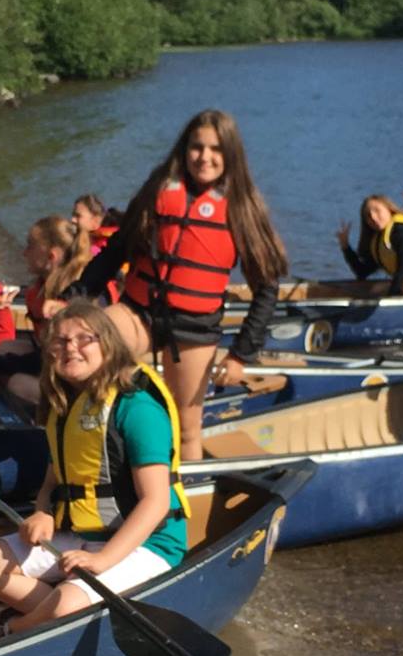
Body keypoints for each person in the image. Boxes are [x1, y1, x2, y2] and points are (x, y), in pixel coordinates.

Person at [0, 302, 187, 636]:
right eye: (59, 341)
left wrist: (104, 562)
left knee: (65, 605)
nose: (70, 348)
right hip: (82, 534)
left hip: (146, 543)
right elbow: (54, 477)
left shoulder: (137, 409)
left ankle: (10, 624)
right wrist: (43, 512)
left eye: (83, 338)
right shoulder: (63, 405)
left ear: (107, 344)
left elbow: (156, 502)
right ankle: (63, 613)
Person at [82, 109, 289, 462]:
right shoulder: (158, 190)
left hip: (195, 327)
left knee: (187, 427)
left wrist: (241, 354)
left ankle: (183, 502)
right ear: (184, 149)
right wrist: (77, 295)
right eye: (197, 147)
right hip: (141, 311)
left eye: (215, 149)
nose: (204, 157)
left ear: (230, 155)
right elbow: (116, 250)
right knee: (94, 341)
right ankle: (104, 455)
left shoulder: (241, 208)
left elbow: (267, 289)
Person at [0, 216, 98, 403]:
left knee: (17, 383)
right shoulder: (43, 289)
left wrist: (8, 366)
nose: (24, 253)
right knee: (3, 349)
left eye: (30, 246)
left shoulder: (70, 298)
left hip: (81, 381)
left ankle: (58, 421)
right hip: (56, 363)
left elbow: (58, 355)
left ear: (52, 255)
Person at [338, 189, 403, 296]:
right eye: (368, 215)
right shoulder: (379, 239)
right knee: (376, 289)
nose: (373, 217)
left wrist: (391, 296)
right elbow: (362, 272)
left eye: (377, 210)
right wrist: (345, 246)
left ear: (389, 209)